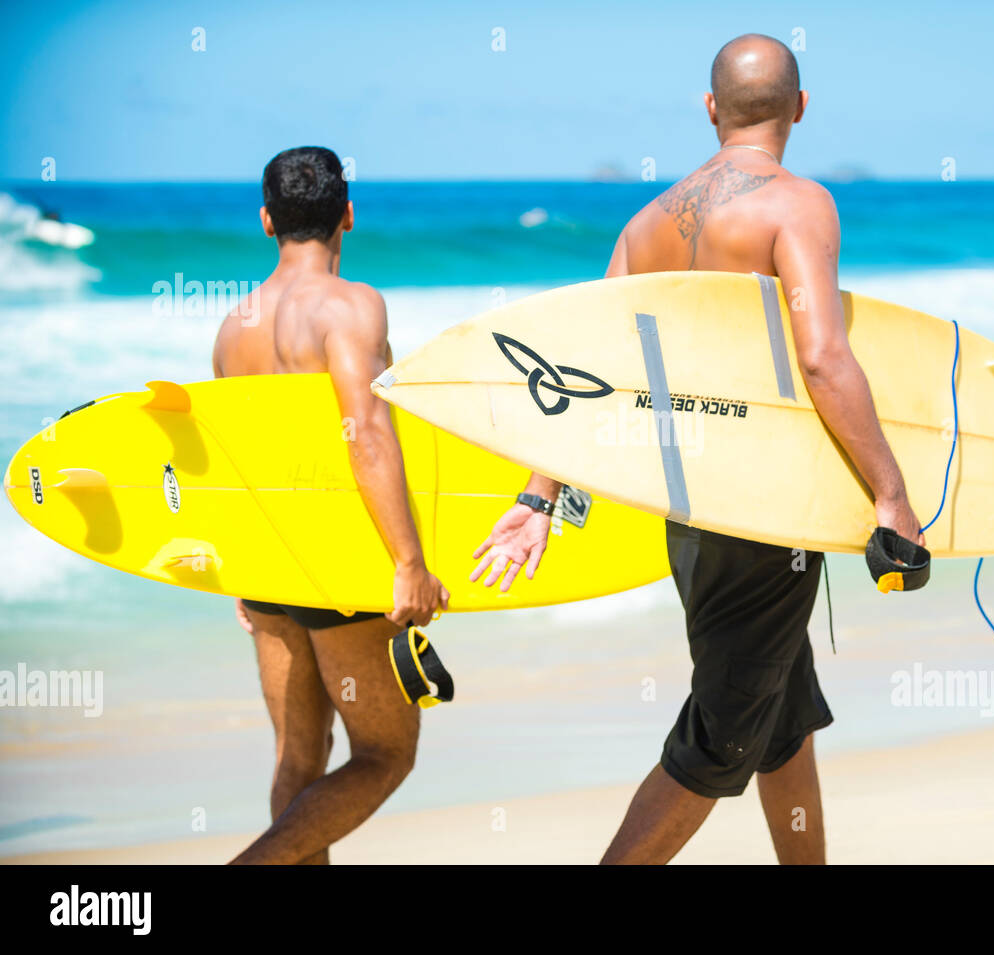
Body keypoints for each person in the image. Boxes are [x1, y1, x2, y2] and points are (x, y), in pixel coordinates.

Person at [471, 35, 924, 864]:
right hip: (765, 512)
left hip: (689, 511)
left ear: (711, 109)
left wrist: (540, 495)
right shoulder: (797, 204)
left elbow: (586, 372)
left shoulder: (645, 225)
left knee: (781, 716)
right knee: (720, 739)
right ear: (801, 107)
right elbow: (824, 356)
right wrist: (891, 495)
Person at [213, 146, 449, 864]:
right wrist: (408, 560)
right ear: (348, 213)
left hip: (269, 562)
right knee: (385, 753)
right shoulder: (349, 305)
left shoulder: (233, 324)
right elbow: (366, 431)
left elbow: (235, 458)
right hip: (338, 559)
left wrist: (238, 571)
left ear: (266, 220)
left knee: (300, 758)